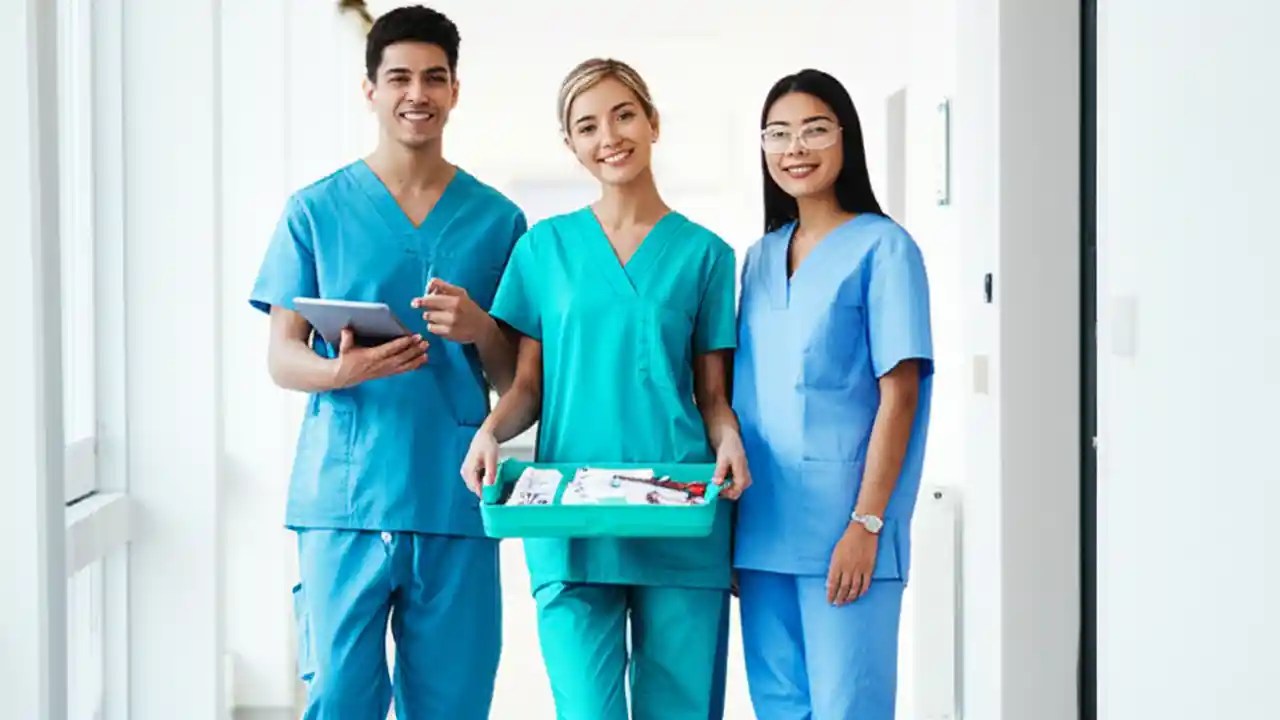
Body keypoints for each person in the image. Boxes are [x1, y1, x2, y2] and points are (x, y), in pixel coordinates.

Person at [248, 7, 526, 719]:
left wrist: (480, 326)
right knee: (340, 697)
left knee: (453, 703)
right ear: (368, 89)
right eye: (398, 77)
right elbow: (283, 357)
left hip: (453, 495)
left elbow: (513, 379)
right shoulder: (316, 210)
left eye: (435, 78)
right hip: (344, 496)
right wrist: (342, 372)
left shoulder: (497, 221)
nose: (417, 93)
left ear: (455, 91)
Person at [460, 58, 750, 720]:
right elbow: (528, 385)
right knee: (586, 709)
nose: (609, 136)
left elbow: (712, 397)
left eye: (623, 115)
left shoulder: (706, 255)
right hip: (569, 514)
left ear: (652, 122)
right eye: (586, 125)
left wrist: (728, 439)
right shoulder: (545, 249)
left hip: (679, 510)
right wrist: (488, 432)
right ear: (570, 145)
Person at [731, 69, 935, 720]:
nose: (796, 148)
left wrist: (866, 524)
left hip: (847, 532)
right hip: (763, 530)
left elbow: (898, 396)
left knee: (850, 707)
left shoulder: (885, 248)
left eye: (815, 130)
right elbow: (747, 398)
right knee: (780, 707)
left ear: (846, 138)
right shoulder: (758, 258)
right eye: (778, 134)